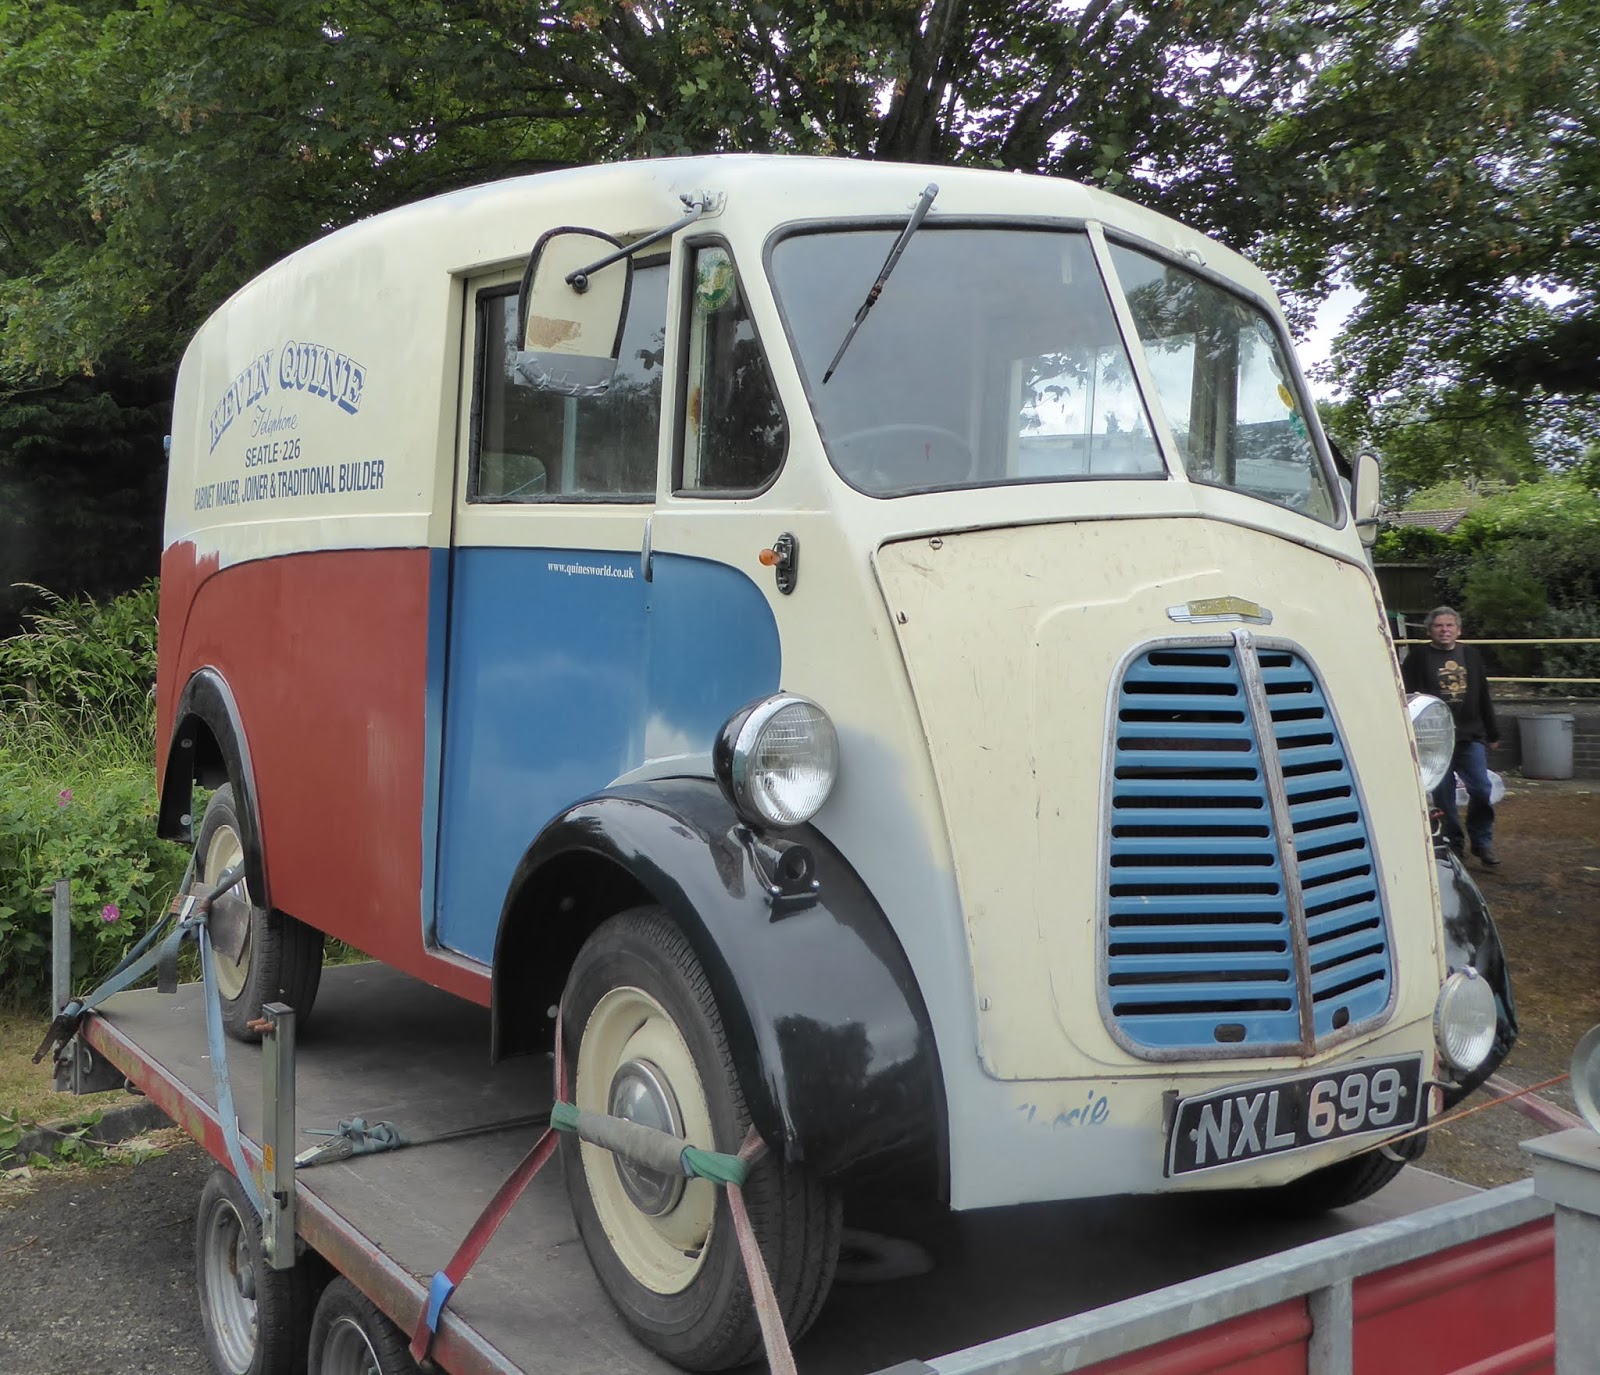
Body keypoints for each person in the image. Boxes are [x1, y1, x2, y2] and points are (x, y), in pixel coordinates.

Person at [1401, 606, 1501, 866]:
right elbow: (1406, 698)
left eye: (1449, 626)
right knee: (1444, 797)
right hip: (1435, 740)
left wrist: (1493, 732)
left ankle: (1482, 842)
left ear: (1458, 629)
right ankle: (1453, 842)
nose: (1444, 630)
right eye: (1439, 626)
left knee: (1480, 788)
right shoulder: (1417, 658)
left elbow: (1482, 695)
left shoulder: (1470, 654)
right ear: (1430, 630)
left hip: (1470, 735)